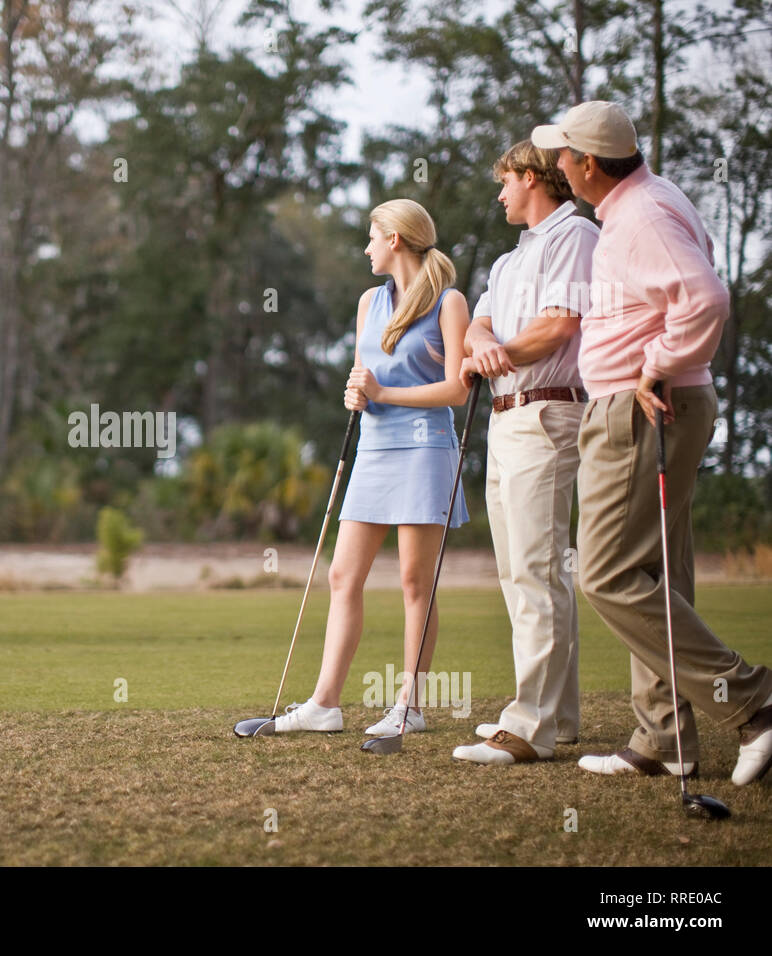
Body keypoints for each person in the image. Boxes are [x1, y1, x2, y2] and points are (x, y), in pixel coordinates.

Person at [531, 100, 772, 784]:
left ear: (586, 164)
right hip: (657, 403)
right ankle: (664, 739)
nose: (556, 166)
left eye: (562, 155)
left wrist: (657, 363)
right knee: (657, 573)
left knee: (606, 573)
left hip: (643, 408)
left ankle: (755, 704)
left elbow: (706, 299)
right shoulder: (652, 199)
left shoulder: (639, 217)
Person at [272, 198, 472, 736]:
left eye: (371, 237)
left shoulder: (449, 304)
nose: (366, 248)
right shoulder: (368, 302)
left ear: (395, 240)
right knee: (343, 575)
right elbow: (365, 373)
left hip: (426, 450)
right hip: (374, 449)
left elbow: (458, 388)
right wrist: (357, 392)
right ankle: (325, 704)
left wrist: (386, 391)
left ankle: (410, 705)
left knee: (414, 582)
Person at [450, 141, 599, 766]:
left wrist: (498, 352)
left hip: (548, 408)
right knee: (521, 571)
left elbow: (561, 324)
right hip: (507, 418)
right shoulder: (512, 260)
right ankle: (558, 715)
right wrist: (484, 344)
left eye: (505, 182)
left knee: (537, 569)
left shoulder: (575, 235)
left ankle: (530, 724)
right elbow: (475, 327)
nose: (500, 193)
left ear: (534, 177)